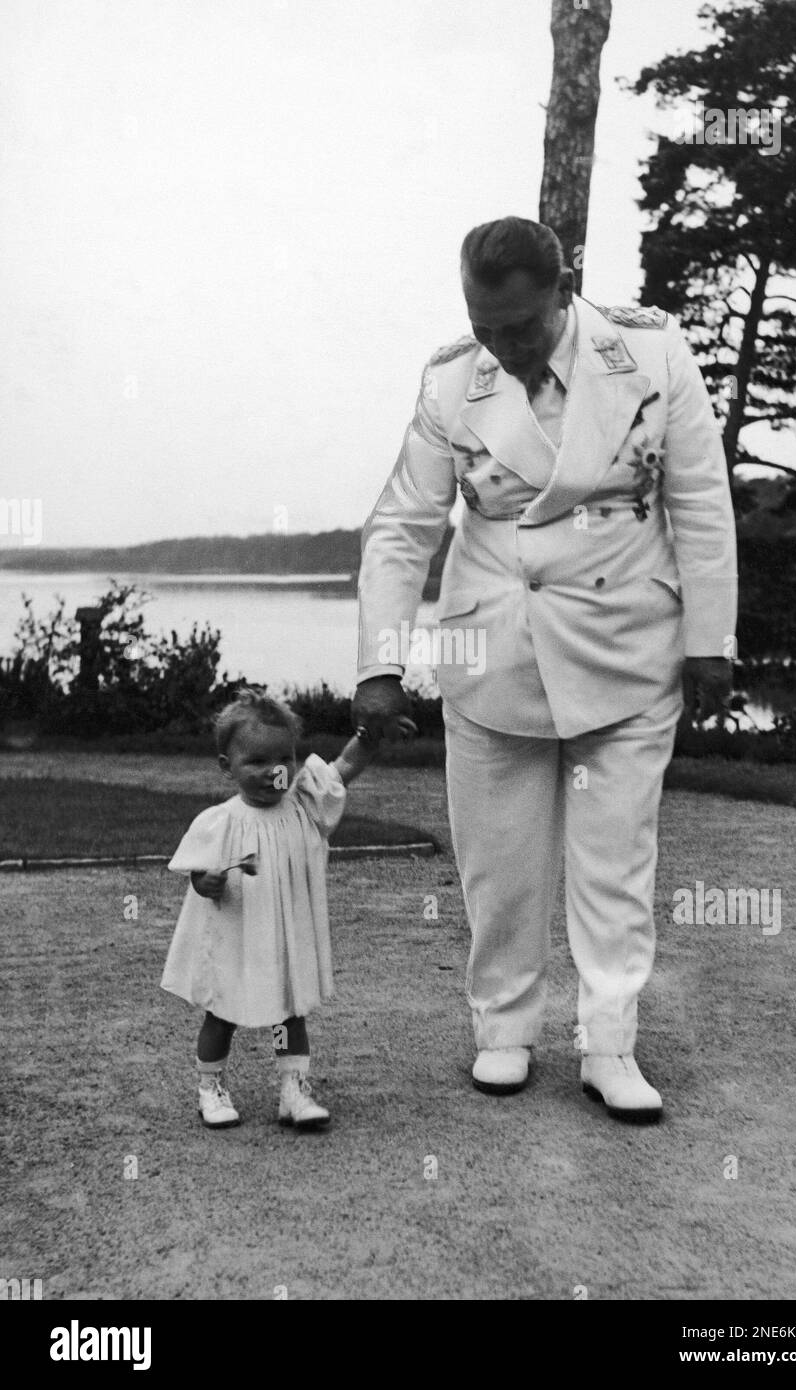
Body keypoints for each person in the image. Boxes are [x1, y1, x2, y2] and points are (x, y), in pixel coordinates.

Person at [352, 216, 737, 1122]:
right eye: (484, 326)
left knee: (616, 863)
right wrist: (382, 663)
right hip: (493, 649)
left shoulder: (650, 353)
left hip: (627, 642)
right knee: (499, 864)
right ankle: (504, 1031)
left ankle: (610, 1045)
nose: (503, 347)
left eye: (520, 328)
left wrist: (710, 642)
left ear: (566, 289)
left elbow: (699, 499)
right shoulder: (453, 379)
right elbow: (406, 525)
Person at [161, 689, 375, 1130]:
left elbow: (343, 769)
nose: (274, 771)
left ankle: (292, 1089)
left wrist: (369, 735)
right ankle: (211, 1087)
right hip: (236, 939)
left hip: (283, 936)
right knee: (222, 1014)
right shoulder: (221, 821)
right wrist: (206, 881)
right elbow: (198, 877)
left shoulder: (301, 806)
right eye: (256, 762)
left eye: (284, 758)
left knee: (287, 1013)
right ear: (228, 767)